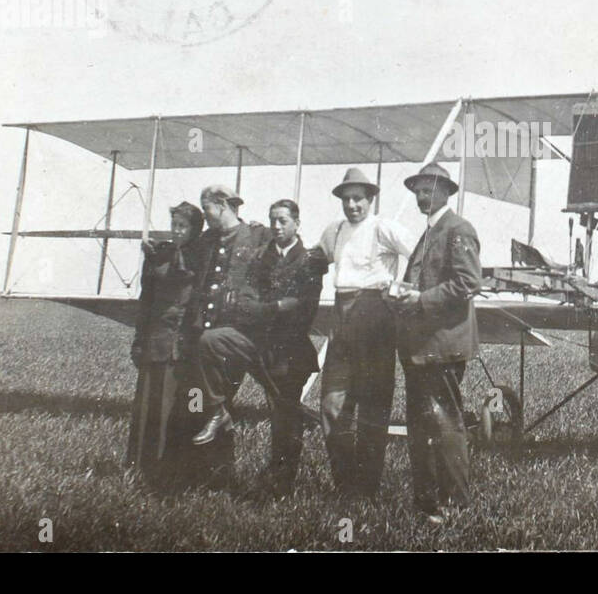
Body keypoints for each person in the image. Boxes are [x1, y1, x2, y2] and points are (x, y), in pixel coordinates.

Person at [196, 199, 325, 496]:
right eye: (272, 220)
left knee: (284, 418)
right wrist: (276, 306)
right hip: (254, 342)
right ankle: (218, 411)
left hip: (288, 351)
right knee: (211, 341)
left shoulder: (310, 261)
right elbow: (243, 302)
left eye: (282, 220)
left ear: (297, 223)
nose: (276, 227)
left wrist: (262, 309)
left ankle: (281, 483)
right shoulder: (258, 257)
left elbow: (304, 310)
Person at [315, 167, 416, 497]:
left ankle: (367, 486)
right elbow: (314, 260)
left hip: (376, 316)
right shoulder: (334, 231)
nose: (352, 205)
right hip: (342, 317)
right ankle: (346, 483)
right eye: (347, 199)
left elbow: (419, 252)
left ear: (370, 199)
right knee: (331, 403)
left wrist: (403, 289)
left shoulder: (383, 227)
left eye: (358, 198)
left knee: (373, 406)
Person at [390, 163, 482, 524]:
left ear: (446, 191)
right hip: (421, 345)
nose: (421, 195)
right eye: (417, 189)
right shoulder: (431, 232)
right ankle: (427, 502)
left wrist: (420, 300)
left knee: (444, 422)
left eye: (428, 189)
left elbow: (467, 283)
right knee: (423, 423)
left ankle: (455, 504)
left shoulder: (457, 229)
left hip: (440, 345)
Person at [184, 185, 271, 449]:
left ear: (222, 205)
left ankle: (220, 465)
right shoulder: (206, 240)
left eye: (206, 207)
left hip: (237, 333)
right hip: (204, 329)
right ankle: (202, 463)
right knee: (196, 398)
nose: (205, 214)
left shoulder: (258, 236)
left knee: (221, 396)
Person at [127, 202, 203, 478]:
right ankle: (139, 466)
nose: (177, 231)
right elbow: (145, 302)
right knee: (148, 404)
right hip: (156, 339)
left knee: (176, 407)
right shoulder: (158, 257)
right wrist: (139, 339)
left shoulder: (200, 258)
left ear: (195, 230)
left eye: (183, 226)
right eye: (174, 225)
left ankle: (169, 470)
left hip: (182, 343)